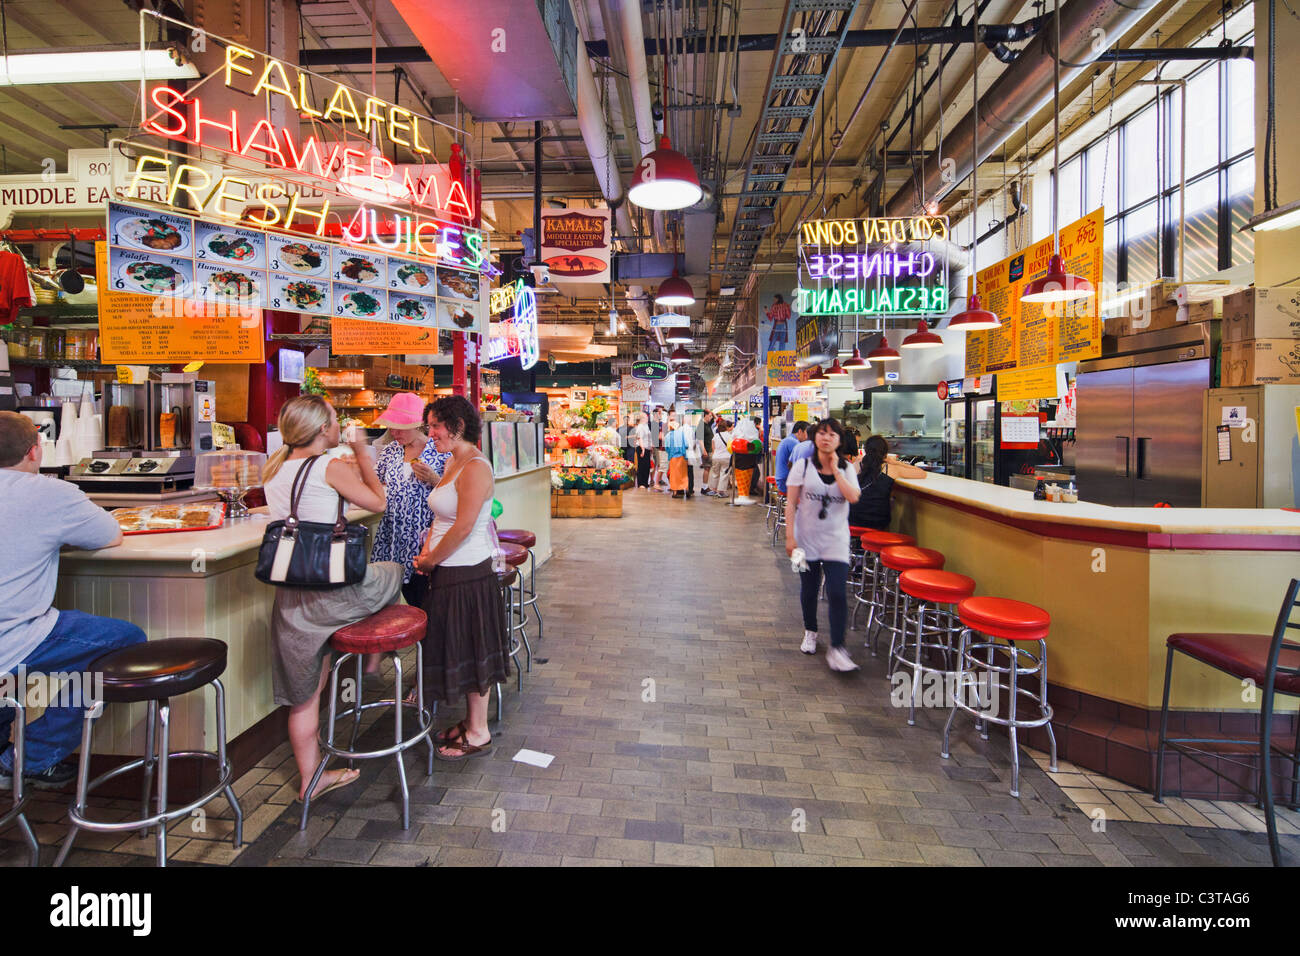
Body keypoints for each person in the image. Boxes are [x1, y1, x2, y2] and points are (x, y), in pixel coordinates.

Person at [262, 395, 402, 801]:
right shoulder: (331, 465)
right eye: (334, 421)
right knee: (393, 571)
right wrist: (363, 455)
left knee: (305, 698)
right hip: (335, 593)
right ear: (323, 429)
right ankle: (373, 663)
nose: (339, 426)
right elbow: (379, 502)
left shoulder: (274, 470)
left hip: (291, 599)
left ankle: (311, 779)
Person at [0, 412, 146, 790]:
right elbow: (109, 534)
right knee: (126, 640)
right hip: (14, 638)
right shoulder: (50, 492)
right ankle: (32, 755)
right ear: (35, 451)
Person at [411, 396, 510, 760]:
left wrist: (431, 560)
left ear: (458, 426)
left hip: (467, 574)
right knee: (464, 647)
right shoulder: (454, 461)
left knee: (473, 648)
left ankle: (479, 731)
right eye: (430, 425)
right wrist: (430, 546)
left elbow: (466, 526)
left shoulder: (475, 467)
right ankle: (470, 723)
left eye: (436, 425)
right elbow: (448, 517)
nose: (431, 432)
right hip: (450, 571)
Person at [785, 418, 862, 672]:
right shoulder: (802, 466)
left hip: (836, 542)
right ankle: (810, 632)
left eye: (832, 434)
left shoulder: (848, 468)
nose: (826, 438)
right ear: (814, 437)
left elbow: (853, 497)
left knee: (838, 592)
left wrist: (837, 471)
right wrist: (789, 537)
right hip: (803, 539)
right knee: (807, 588)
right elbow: (790, 503)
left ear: (839, 440)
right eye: (822, 433)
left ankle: (837, 648)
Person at [370, 393, 451, 611]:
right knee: (391, 601)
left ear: (418, 425)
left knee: (426, 600)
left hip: (423, 540)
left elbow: (457, 494)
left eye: (400, 427)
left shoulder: (441, 452)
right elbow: (374, 483)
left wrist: (434, 479)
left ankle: (430, 643)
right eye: (391, 427)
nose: (394, 432)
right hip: (391, 539)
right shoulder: (389, 452)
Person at [848, 435, 928, 531]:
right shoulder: (890, 468)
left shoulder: (856, 465)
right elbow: (922, 473)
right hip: (877, 523)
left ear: (866, 450)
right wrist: (896, 462)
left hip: (852, 520)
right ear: (885, 452)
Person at [731, 415, 762, 505]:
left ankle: (743, 495)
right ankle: (744, 495)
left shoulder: (738, 434)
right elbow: (757, 445)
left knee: (743, 477)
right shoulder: (753, 435)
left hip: (738, 458)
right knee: (749, 475)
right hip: (749, 459)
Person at [774, 420, 809, 494]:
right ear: (800, 431)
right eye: (807, 433)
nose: (808, 437)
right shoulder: (793, 442)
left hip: (781, 479)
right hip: (785, 482)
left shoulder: (787, 440)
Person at [665, 414, 690, 499]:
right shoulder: (681, 433)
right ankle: (686, 489)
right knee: (684, 474)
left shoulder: (668, 436)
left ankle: (675, 492)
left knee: (674, 475)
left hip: (673, 457)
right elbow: (686, 445)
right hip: (682, 456)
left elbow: (667, 448)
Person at [707, 417, 733, 498]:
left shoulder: (716, 436)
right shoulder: (729, 436)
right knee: (724, 474)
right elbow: (731, 447)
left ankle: (714, 490)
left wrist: (716, 454)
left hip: (716, 457)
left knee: (715, 473)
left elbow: (713, 447)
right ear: (726, 427)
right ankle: (721, 491)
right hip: (726, 457)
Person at [699, 411, 717, 495]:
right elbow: (700, 439)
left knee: (708, 468)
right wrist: (704, 450)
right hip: (706, 450)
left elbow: (716, 418)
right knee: (707, 468)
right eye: (709, 416)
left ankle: (705, 486)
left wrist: (712, 413)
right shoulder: (701, 425)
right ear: (705, 416)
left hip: (709, 450)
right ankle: (704, 487)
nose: (711, 417)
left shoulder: (708, 424)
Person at [634, 413, 653, 489]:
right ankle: (641, 483)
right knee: (642, 466)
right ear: (642, 418)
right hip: (642, 448)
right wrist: (643, 449)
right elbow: (640, 438)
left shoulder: (646, 426)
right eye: (645, 417)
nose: (647, 418)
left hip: (647, 448)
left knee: (647, 466)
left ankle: (645, 482)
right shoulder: (640, 426)